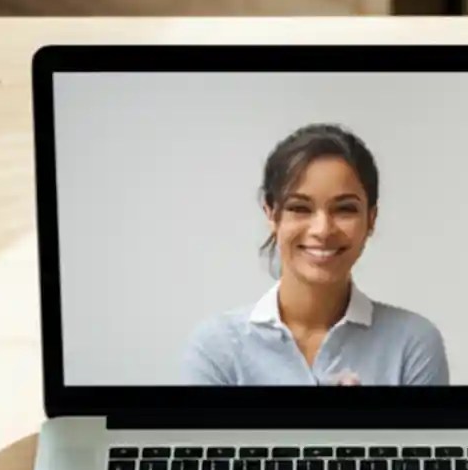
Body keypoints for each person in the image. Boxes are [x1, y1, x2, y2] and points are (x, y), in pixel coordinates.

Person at [181, 122, 449, 386]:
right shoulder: (218, 348)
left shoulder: (412, 345)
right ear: (271, 214)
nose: (322, 230)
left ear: (371, 218)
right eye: (300, 208)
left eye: (345, 209)